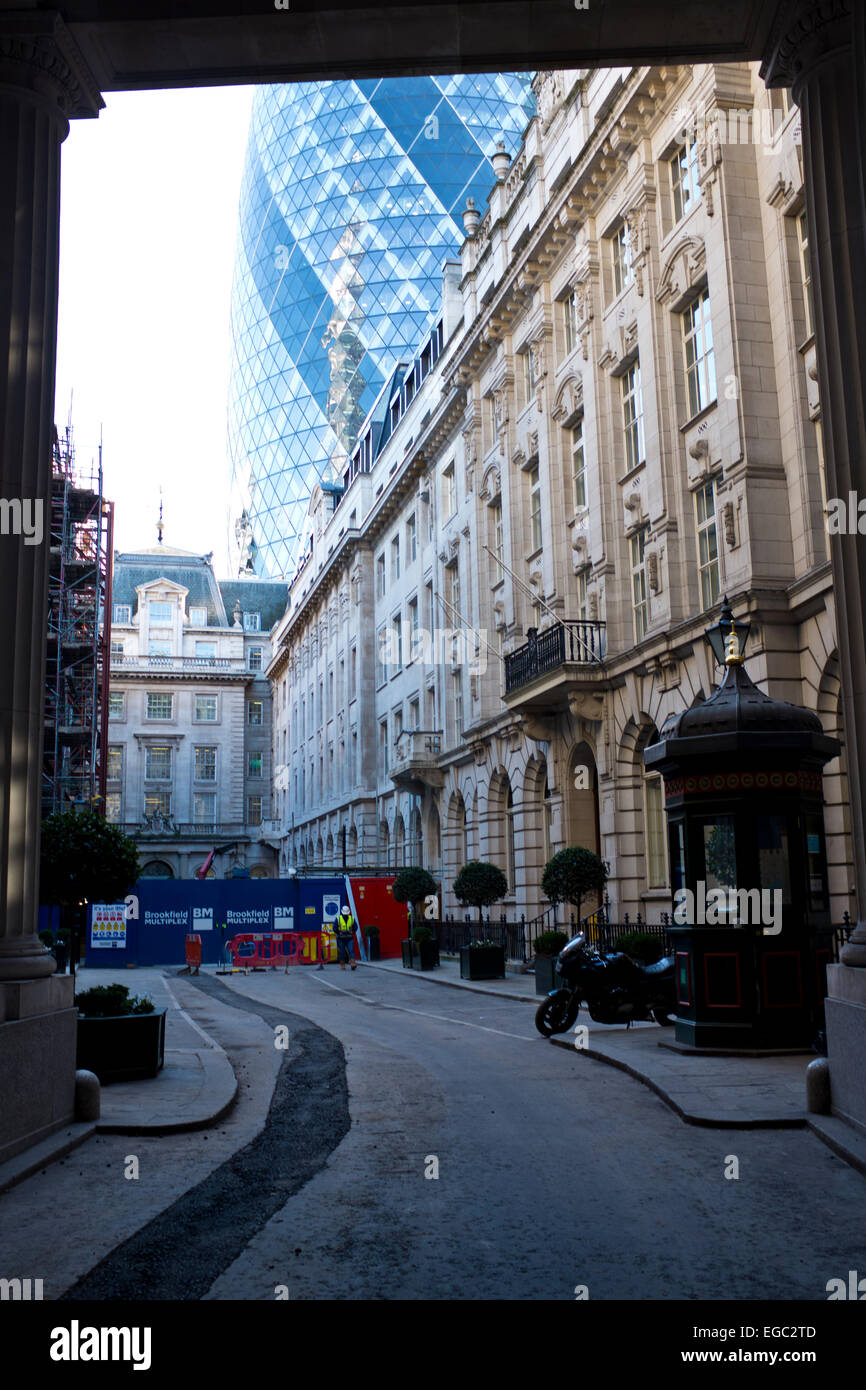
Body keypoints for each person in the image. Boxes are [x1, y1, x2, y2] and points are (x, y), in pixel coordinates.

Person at [335, 905, 356, 970]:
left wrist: (353, 931)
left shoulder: (351, 918)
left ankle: (352, 964)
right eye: (344, 914)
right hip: (341, 938)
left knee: (351, 950)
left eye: (346, 914)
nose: (345, 915)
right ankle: (342, 965)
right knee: (342, 952)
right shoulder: (338, 919)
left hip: (349, 938)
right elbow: (334, 928)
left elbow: (355, 927)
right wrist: (339, 932)